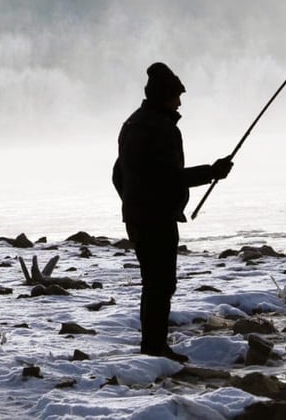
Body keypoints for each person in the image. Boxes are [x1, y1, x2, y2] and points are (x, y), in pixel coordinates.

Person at [112, 62, 233, 361]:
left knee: (153, 283)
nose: (180, 102)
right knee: (161, 284)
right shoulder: (161, 129)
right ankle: (154, 348)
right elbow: (169, 177)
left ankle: (152, 346)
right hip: (157, 218)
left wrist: (131, 203)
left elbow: (117, 173)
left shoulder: (132, 124)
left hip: (138, 216)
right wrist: (212, 171)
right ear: (164, 96)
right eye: (177, 96)